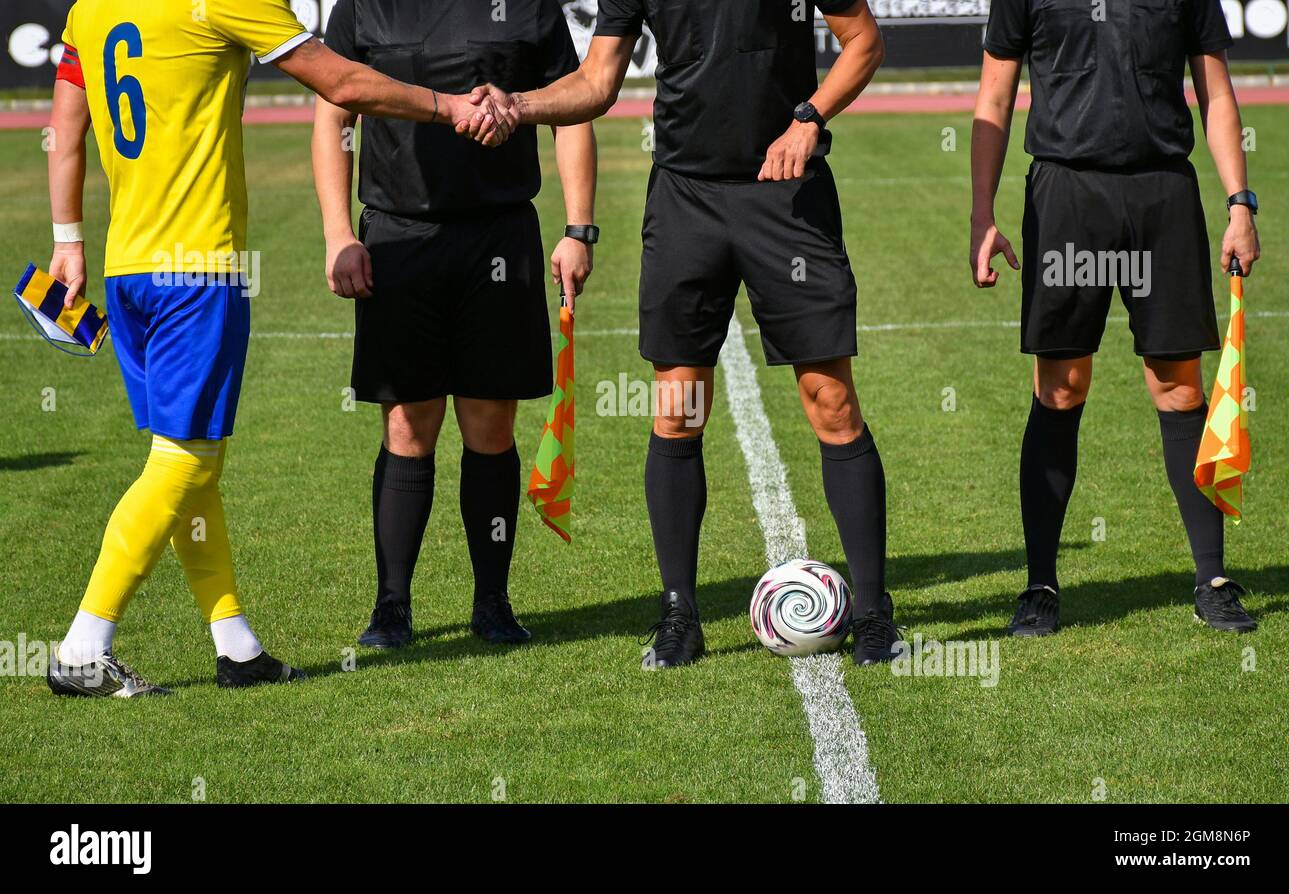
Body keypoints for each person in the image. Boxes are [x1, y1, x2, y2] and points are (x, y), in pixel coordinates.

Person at [46, 0, 508, 697]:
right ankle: (85, 644)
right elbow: (343, 84)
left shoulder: (90, 7)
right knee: (181, 463)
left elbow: (64, 124)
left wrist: (66, 240)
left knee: (195, 463)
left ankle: (236, 647)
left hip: (127, 268)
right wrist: (449, 107)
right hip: (196, 271)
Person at [467, 1, 894, 668]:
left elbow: (863, 40)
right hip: (685, 201)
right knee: (678, 410)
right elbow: (598, 80)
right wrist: (518, 105)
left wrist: (809, 119)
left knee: (831, 403)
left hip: (785, 196)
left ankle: (872, 616)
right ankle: (678, 615)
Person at [969, 0, 1262, 636]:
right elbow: (993, 102)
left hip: (1163, 195)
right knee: (1061, 387)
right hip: (1067, 196)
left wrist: (1240, 204)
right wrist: (981, 214)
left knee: (1179, 385)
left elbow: (1216, 93)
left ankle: (1211, 579)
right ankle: (1041, 583)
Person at [312, 0, 597, 649]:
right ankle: (392, 606)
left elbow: (570, 107)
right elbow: (334, 115)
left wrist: (578, 227)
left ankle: (492, 602)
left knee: (490, 423)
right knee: (408, 423)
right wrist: (335, 233)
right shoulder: (365, 5)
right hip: (398, 236)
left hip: (499, 234)